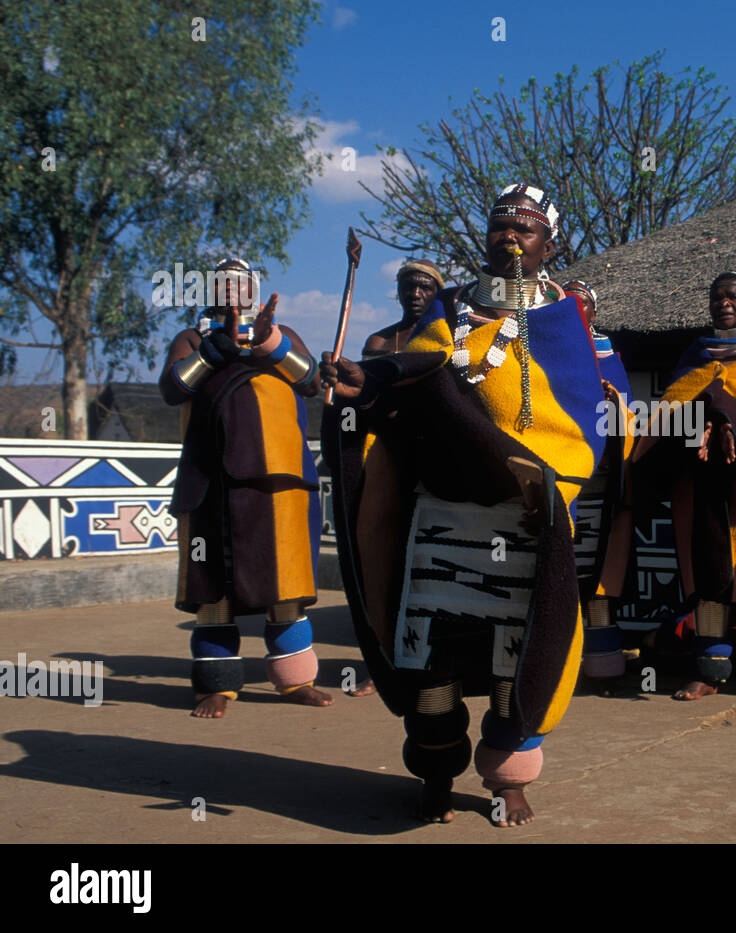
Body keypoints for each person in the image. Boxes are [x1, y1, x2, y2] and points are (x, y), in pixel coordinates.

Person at [321, 184, 604, 826]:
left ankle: (507, 781)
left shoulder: (563, 321)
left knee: (518, 659)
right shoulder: (449, 309)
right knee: (430, 660)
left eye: (524, 230)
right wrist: (368, 383)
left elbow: (583, 421)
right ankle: (437, 771)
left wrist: (548, 486)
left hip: (527, 513)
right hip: (442, 516)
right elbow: (415, 372)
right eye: (500, 226)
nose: (510, 237)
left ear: (548, 245)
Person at [159, 257, 332, 718]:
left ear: (255, 291)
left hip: (282, 485)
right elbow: (174, 387)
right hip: (211, 483)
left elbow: (311, 381)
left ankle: (294, 680)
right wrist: (216, 349)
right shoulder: (194, 338)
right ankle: (216, 684)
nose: (233, 291)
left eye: (242, 283)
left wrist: (270, 344)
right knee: (212, 588)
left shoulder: (281, 333)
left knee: (286, 585)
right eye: (224, 284)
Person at [631, 273, 736, 701]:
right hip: (700, 480)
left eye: (734, 296)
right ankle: (709, 668)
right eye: (717, 297)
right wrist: (706, 419)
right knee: (705, 571)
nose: (725, 302)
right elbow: (671, 409)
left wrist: (733, 422)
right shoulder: (696, 352)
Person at [346, 258, 447, 699]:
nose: (416, 293)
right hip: (384, 453)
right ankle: (382, 657)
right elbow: (367, 394)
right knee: (379, 555)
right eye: (408, 286)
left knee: (425, 559)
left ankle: (430, 657)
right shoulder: (381, 339)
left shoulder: (445, 338)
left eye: (425, 287)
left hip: (432, 456)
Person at [564, 280, 638, 692]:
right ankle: (558, 665)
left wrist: (614, 405)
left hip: (603, 478)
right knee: (561, 569)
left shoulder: (609, 355)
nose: (576, 308)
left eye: (584, 303)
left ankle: (602, 665)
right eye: (568, 302)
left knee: (601, 570)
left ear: (595, 312)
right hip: (562, 475)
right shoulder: (544, 346)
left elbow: (627, 414)